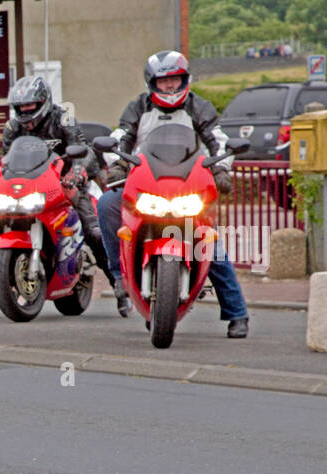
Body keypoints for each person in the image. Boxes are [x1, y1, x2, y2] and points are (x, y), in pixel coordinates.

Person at [96, 50, 250, 338]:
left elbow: (218, 140)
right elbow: (121, 137)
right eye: (164, 82)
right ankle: (118, 275)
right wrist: (117, 166)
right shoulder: (138, 108)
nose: (171, 87)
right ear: (152, 84)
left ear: (185, 80)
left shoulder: (198, 107)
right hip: (146, 186)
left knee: (207, 243)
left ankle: (237, 313)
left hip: (187, 188)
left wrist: (222, 170)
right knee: (106, 203)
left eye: (176, 81)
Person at [0, 75, 130, 316]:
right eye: (21, 108)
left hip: (68, 181)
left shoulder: (63, 119)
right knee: (3, 223)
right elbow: (8, 162)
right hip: (33, 186)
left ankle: (120, 288)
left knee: (93, 230)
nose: (25, 112)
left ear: (44, 102)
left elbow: (83, 149)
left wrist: (78, 172)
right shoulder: (12, 128)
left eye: (30, 106)